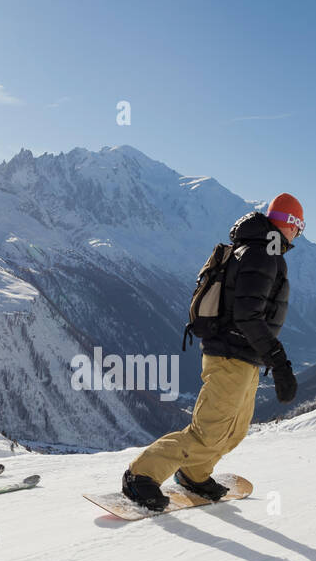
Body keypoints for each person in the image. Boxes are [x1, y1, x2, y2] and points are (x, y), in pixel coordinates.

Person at [122, 193, 303, 511]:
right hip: (231, 355)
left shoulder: (263, 251)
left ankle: (194, 473)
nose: (298, 236)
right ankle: (140, 476)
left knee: (235, 430)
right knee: (206, 431)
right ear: (289, 224)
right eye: (298, 228)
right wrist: (280, 361)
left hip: (245, 357)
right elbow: (248, 316)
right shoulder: (262, 254)